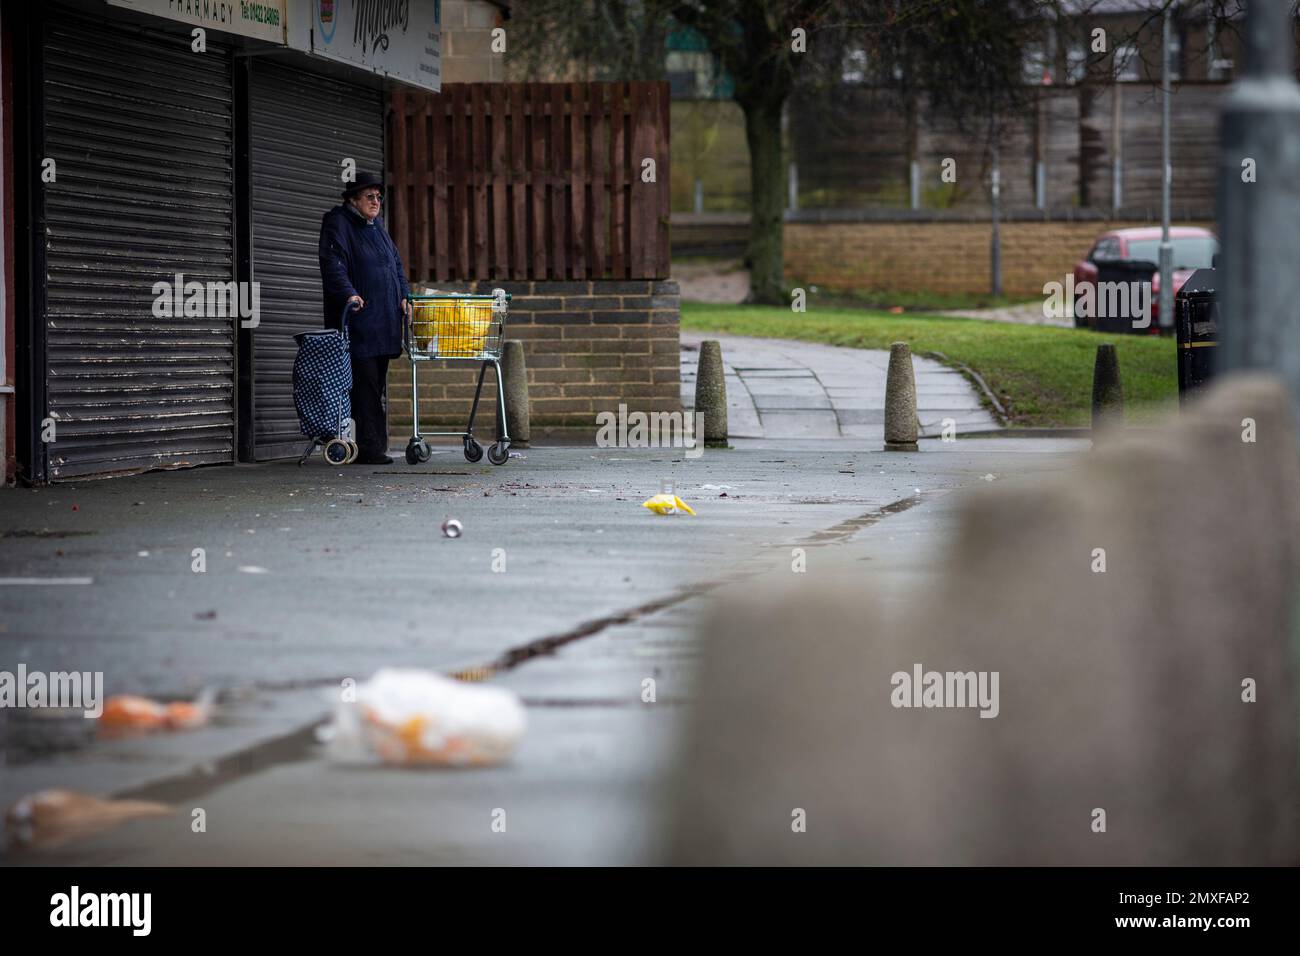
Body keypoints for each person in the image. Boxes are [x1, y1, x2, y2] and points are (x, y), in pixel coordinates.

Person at [318, 171, 411, 465]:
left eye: (378, 197)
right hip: (359, 320)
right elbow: (333, 265)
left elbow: (395, 263)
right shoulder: (338, 223)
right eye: (369, 197)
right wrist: (349, 293)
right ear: (352, 200)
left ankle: (367, 445)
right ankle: (368, 448)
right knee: (364, 384)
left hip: (383, 320)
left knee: (375, 384)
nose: (376, 202)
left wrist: (405, 294)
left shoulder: (375, 226)